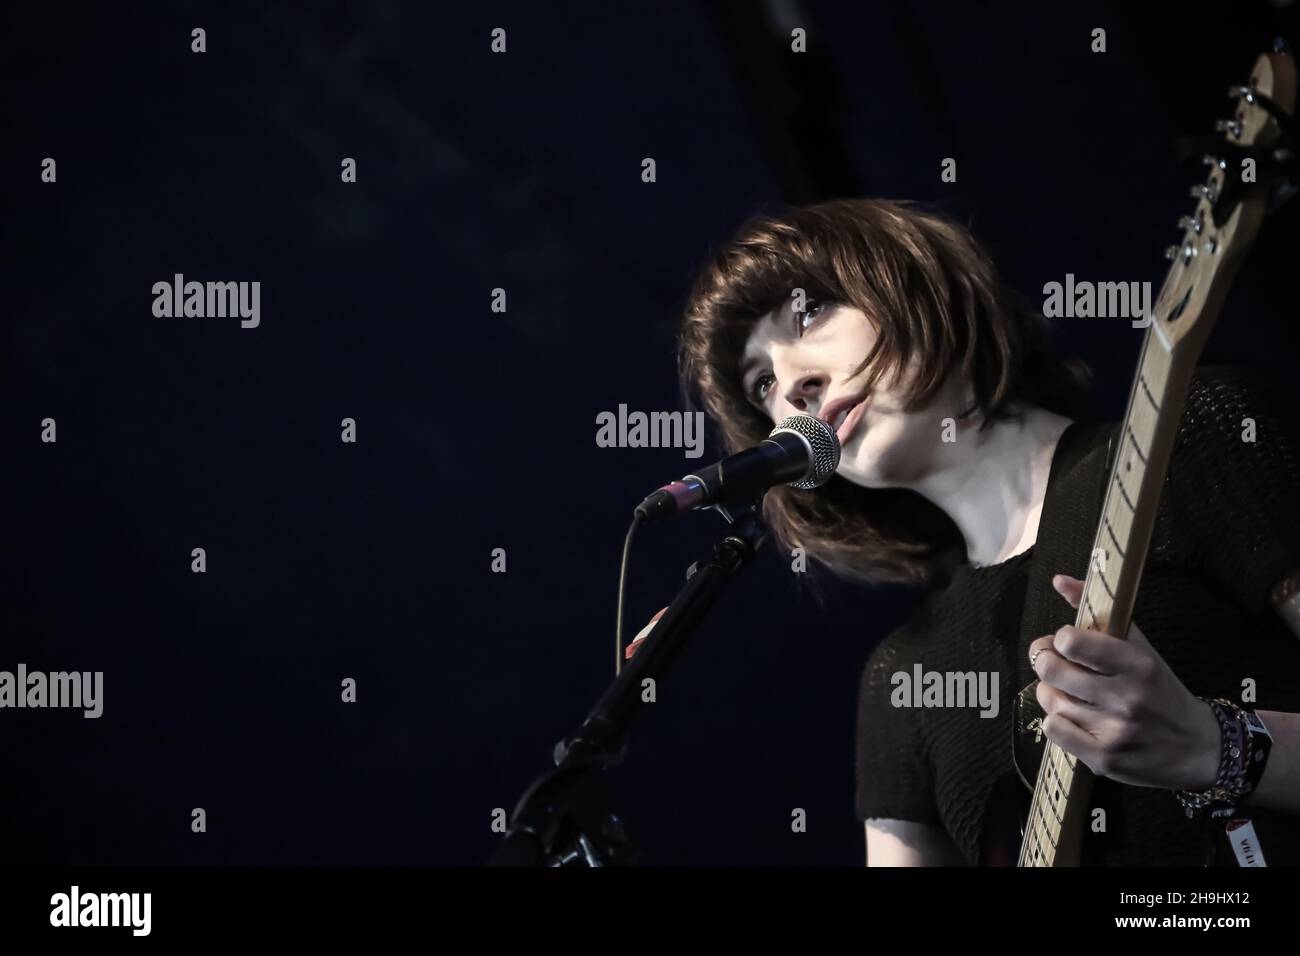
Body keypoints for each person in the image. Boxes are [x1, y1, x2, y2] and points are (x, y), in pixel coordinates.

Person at [628, 197, 1300, 865]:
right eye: (761, 384)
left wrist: (1212, 747)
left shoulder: (1194, 439)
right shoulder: (900, 676)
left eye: (810, 312)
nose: (793, 385)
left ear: (916, 284)